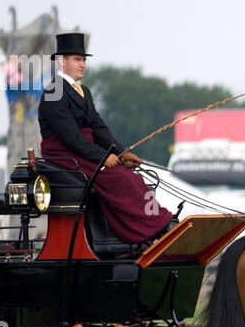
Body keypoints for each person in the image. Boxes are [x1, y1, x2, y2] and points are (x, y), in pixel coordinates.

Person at [38, 32, 175, 244]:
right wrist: (103, 157)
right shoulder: (53, 93)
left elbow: (98, 127)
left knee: (135, 178)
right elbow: (71, 137)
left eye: (84, 60)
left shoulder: (84, 91)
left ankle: (157, 223)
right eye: (77, 59)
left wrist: (121, 152)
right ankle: (155, 228)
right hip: (65, 154)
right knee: (120, 178)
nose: (82, 64)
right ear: (63, 61)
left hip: (85, 150)